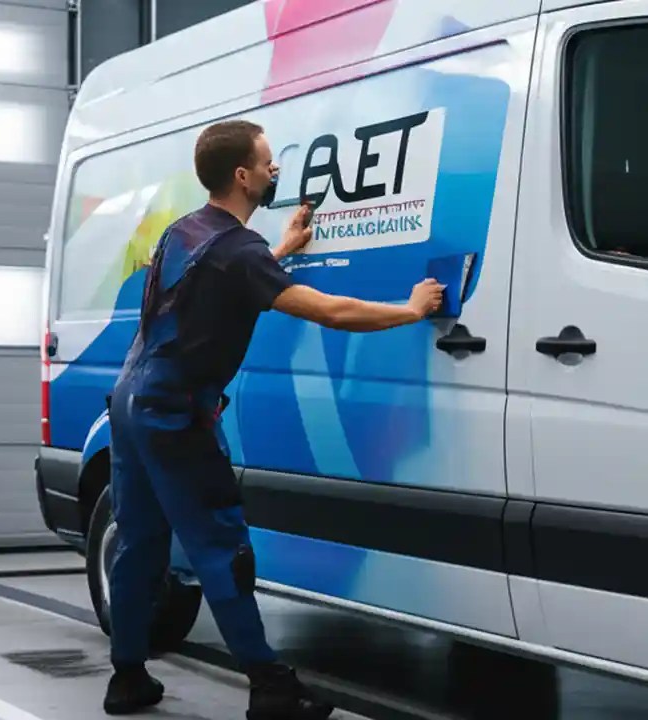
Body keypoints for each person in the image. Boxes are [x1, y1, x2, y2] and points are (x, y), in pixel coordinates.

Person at [102, 119, 444, 719]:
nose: (275, 169)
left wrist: (279, 249)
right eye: (266, 161)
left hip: (130, 402)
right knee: (221, 547)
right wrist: (410, 310)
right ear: (242, 175)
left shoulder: (184, 232)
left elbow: (222, 276)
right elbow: (332, 311)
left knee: (138, 544)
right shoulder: (238, 251)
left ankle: (127, 677)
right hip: (174, 413)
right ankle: (271, 688)